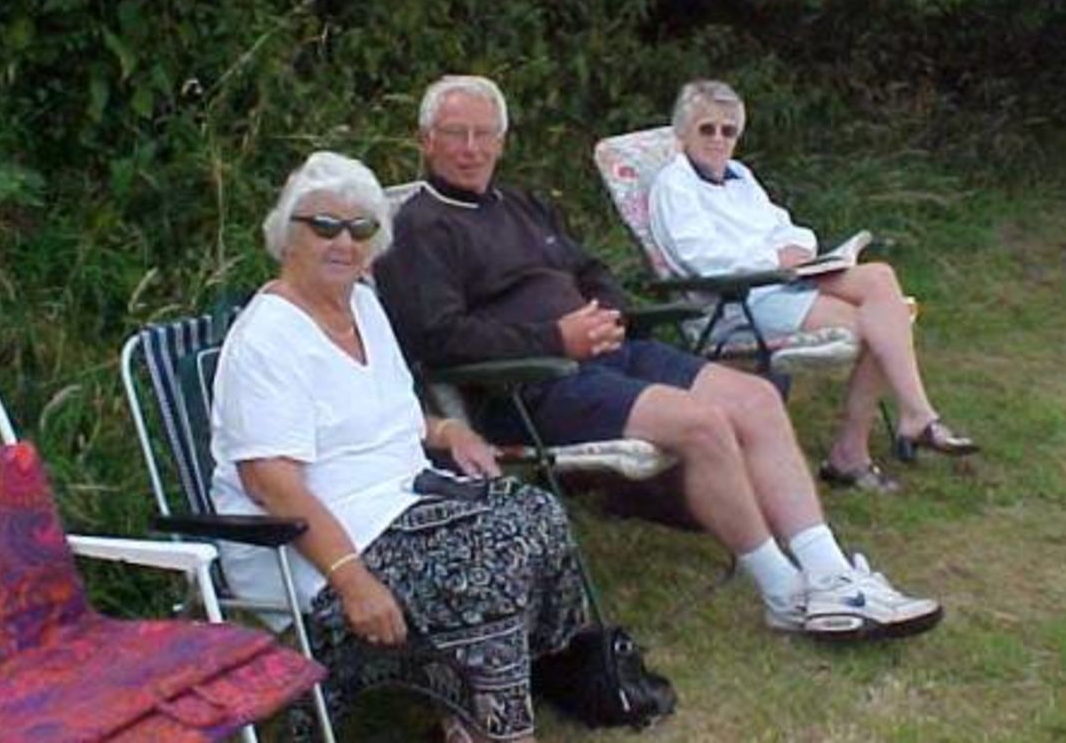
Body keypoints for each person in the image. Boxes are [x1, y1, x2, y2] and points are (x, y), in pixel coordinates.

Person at [374, 74, 944, 641]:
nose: (471, 148)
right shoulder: (417, 229)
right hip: (526, 386)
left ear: (501, 140)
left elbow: (591, 269)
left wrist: (606, 315)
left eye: (484, 133)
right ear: (426, 140)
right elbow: (437, 339)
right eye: (455, 133)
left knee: (758, 398)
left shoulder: (521, 205)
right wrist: (554, 338)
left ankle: (830, 572)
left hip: (604, 351)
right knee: (702, 424)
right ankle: (784, 594)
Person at [209, 151, 588, 743]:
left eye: (360, 228)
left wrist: (448, 431)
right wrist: (352, 580)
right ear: (288, 236)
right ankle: (490, 724)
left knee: (537, 514)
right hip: (310, 550)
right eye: (324, 226)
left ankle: (472, 698)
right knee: (487, 558)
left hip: (397, 503)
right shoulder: (266, 341)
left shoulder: (362, 303)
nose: (344, 242)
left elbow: (393, 413)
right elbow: (269, 483)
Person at [647, 79, 976, 492]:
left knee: (880, 279)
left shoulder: (740, 177)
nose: (717, 139)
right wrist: (773, 260)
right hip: (736, 301)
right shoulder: (674, 186)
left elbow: (786, 226)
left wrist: (799, 251)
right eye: (706, 129)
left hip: (782, 281)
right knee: (884, 325)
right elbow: (698, 257)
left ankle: (913, 417)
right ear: (683, 133)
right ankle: (857, 452)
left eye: (728, 131)